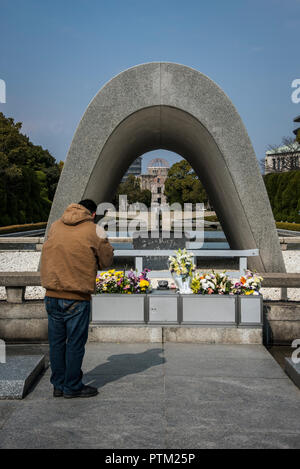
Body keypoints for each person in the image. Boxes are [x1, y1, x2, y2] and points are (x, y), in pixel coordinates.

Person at [41, 199, 114, 398]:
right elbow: (107, 260)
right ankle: (72, 386)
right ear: (92, 214)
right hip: (77, 296)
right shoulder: (94, 230)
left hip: (52, 294)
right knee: (74, 343)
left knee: (56, 343)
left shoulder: (56, 225)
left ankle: (58, 384)